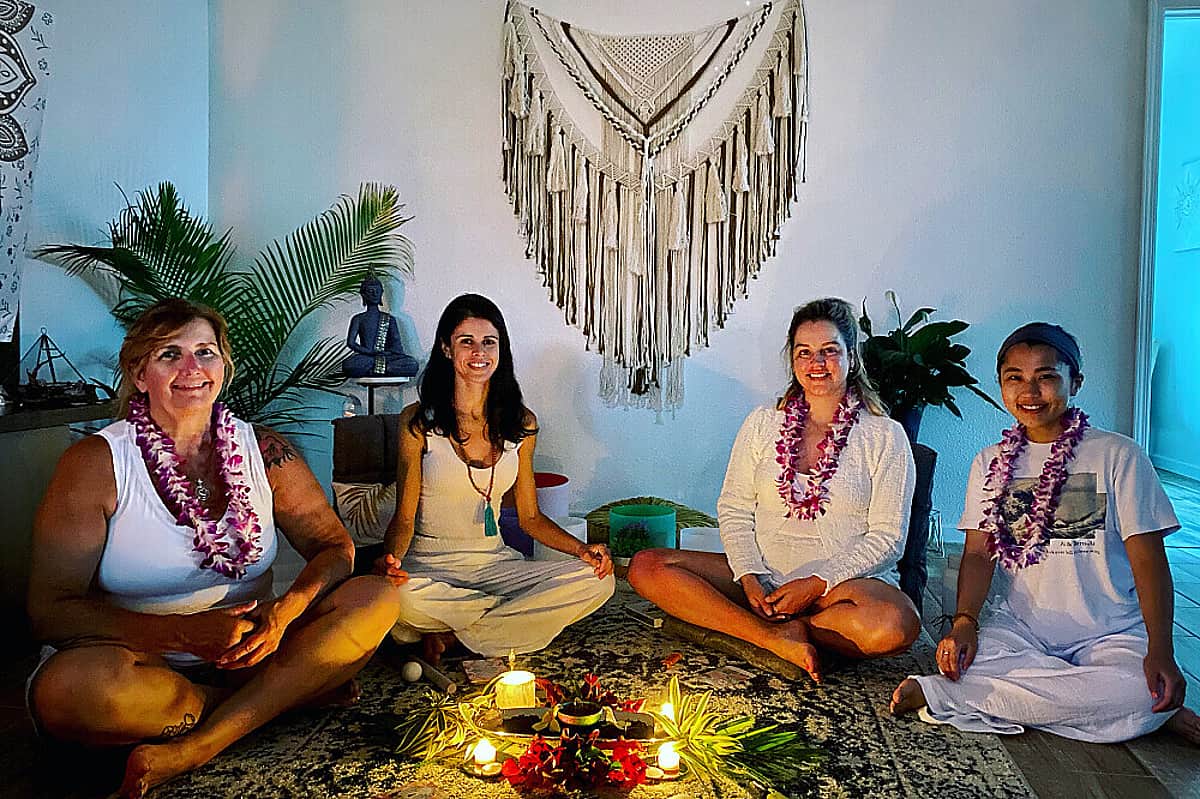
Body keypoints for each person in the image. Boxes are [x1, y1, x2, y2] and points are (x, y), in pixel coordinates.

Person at [25, 299, 402, 798]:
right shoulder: (95, 463)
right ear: (140, 375)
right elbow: (50, 610)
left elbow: (334, 545)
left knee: (377, 598)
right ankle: (279, 699)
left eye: (205, 352)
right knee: (68, 694)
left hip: (257, 648)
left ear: (223, 367)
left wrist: (287, 612)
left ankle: (198, 744)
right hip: (141, 663)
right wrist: (181, 633)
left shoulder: (264, 451)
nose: (191, 369)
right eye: (168, 355)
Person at [891, 322, 1200, 744]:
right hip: (1020, 629)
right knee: (971, 664)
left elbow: (1148, 560)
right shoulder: (989, 462)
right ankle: (1136, 714)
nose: (1030, 392)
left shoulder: (1118, 454)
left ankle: (947, 696)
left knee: (1139, 692)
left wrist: (1161, 647)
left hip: (1111, 631)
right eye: (1014, 378)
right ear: (1001, 385)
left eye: (1046, 377)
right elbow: (979, 555)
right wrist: (964, 621)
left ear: (1076, 381)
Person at [628, 297, 919, 681]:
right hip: (763, 582)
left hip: (840, 591)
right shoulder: (764, 422)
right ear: (793, 359)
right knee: (646, 567)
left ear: (852, 357)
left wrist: (815, 585)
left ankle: (779, 630)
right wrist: (748, 575)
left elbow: (888, 539)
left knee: (896, 625)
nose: (816, 364)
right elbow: (733, 508)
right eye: (805, 353)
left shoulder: (884, 435)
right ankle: (773, 637)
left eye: (829, 351)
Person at [375, 293, 614, 663]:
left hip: (497, 566)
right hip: (430, 571)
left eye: (489, 341)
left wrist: (582, 551)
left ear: (501, 349)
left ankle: (453, 633)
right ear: (445, 349)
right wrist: (389, 563)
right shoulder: (418, 422)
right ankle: (499, 623)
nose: (479, 352)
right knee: (397, 597)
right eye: (466, 341)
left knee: (599, 580)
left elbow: (530, 518)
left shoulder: (522, 423)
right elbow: (404, 518)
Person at [342, 274, 418, 377]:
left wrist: (388, 353)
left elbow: (397, 347)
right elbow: (351, 343)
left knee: (412, 364)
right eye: (370, 291)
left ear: (381, 293)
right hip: (368, 357)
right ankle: (385, 369)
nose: (374, 294)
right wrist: (369, 352)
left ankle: (377, 369)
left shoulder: (389, 319)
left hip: (386, 357)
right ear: (363, 295)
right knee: (348, 365)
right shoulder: (358, 318)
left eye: (377, 291)